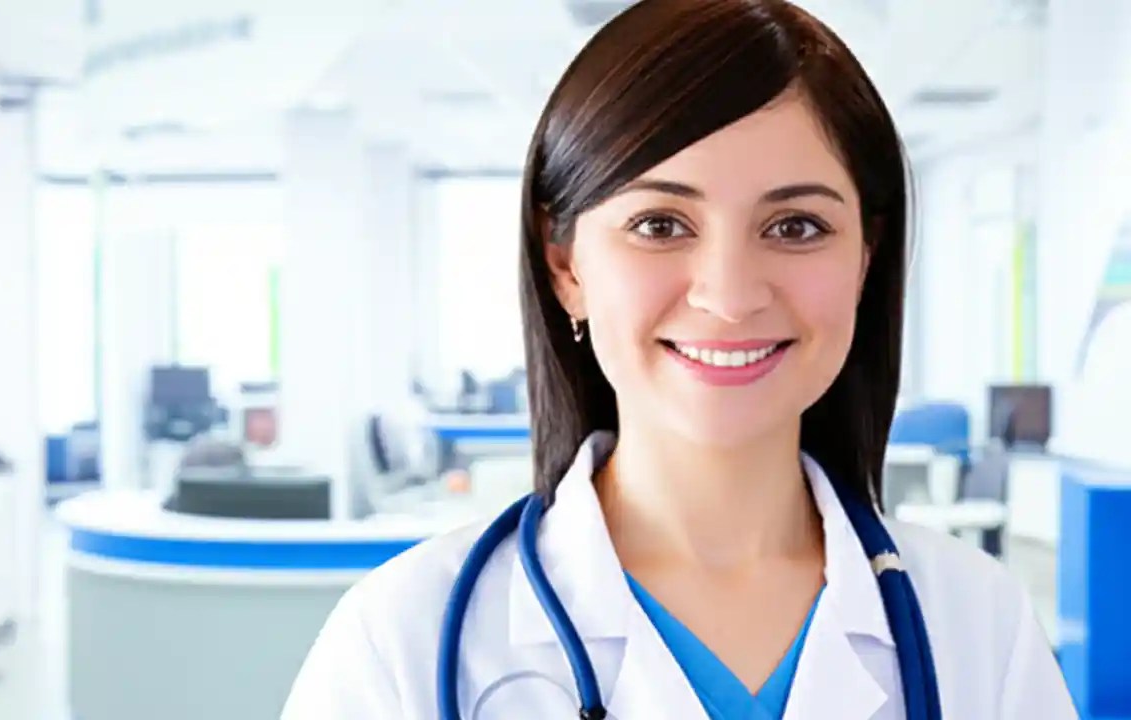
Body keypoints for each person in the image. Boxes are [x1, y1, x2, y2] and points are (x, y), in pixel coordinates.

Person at [282, 0, 1077, 717]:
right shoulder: (403, 644)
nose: (730, 296)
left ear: (866, 259)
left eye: (796, 226)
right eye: (661, 225)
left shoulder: (977, 629)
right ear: (566, 266)